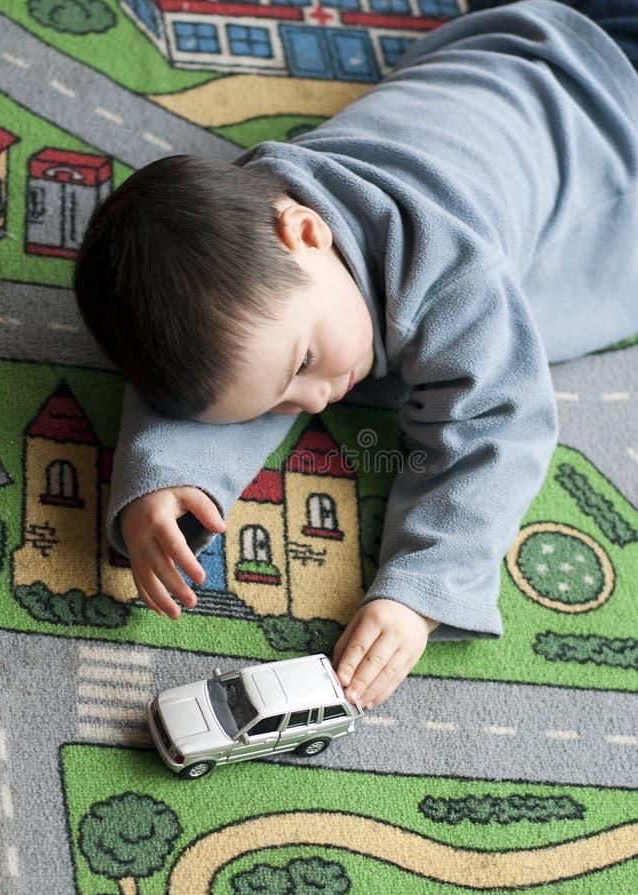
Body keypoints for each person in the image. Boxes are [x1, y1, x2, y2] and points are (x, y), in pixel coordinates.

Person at [74, 0, 638, 711]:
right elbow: (213, 355)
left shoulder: (446, 264)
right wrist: (163, 477)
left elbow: (499, 424)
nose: (312, 400)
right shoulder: (253, 216)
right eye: (285, 400)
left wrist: (419, 590)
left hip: (609, 99)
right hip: (509, 51)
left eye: (305, 363)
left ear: (307, 231)